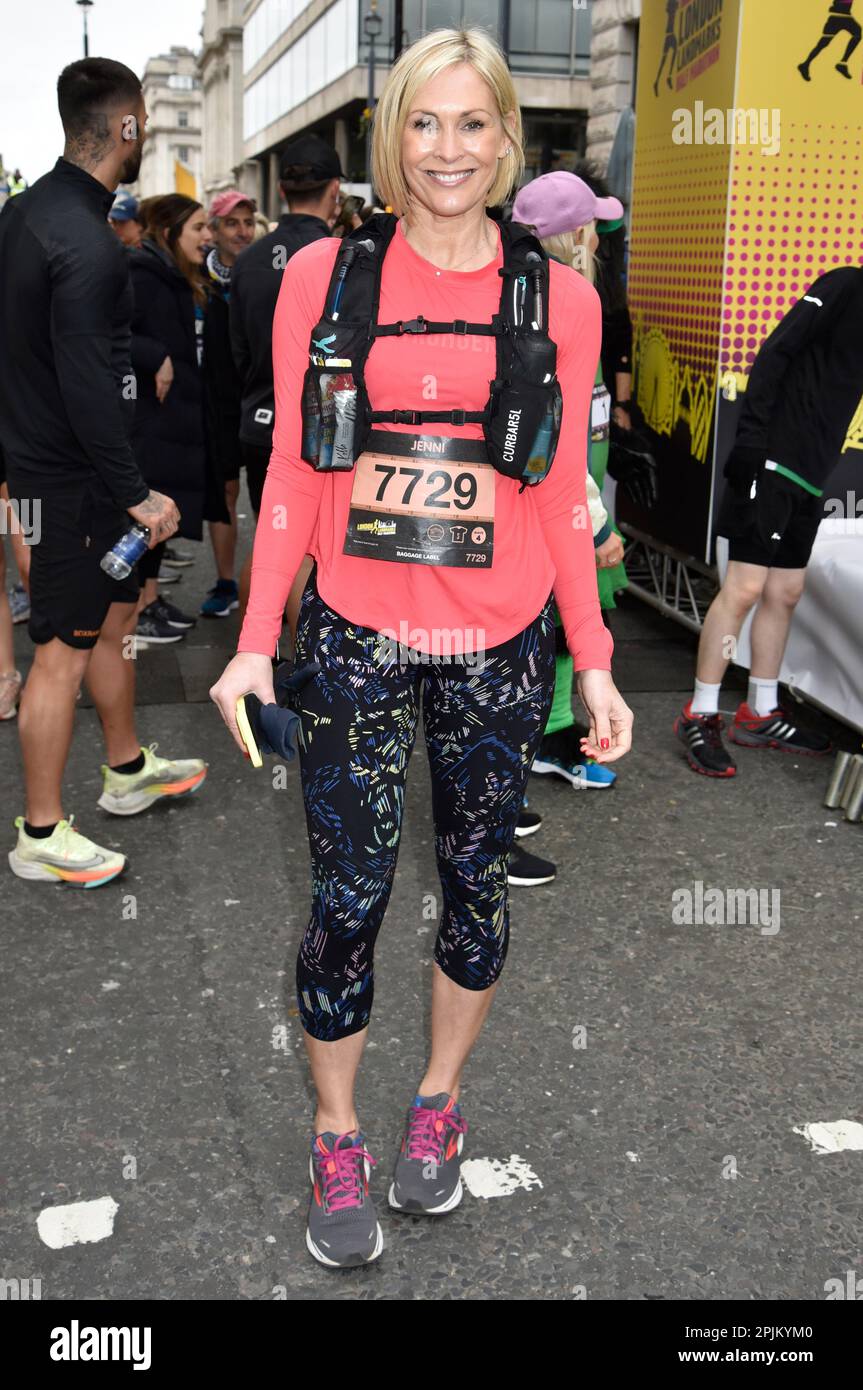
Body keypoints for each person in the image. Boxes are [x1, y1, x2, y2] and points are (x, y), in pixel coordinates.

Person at [210, 26, 632, 1269]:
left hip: (500, 645)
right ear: (389, 137)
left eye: (471, 124)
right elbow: (292, 464)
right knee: (344, 900)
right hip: (354, 637)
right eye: (421, 122)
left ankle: (438, 1099)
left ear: (505, 140)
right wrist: (248, 642)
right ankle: (335, 1131)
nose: (446, 149)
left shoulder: (558, 298)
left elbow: (559, 493)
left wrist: (593, 657)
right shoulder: (320, 283)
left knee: (475, 889)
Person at [0, 57, 206, 886]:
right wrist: (135, 493)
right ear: (126, 127)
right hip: (74, 484)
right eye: (144, 115)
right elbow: (88, 383)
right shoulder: (85, 240)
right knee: (58, 649)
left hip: (53, 470)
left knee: (109, 629)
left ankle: (123, 771)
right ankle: (41, 835)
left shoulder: (23, 215)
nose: (147, 128)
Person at [674, 264, 863, 776]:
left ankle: (759, 710)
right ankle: (701, 712)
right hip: (773, 460)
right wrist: (753, 440)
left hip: (811, 473)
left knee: (785, 593)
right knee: (744, 589)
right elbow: (777, 348)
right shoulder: (846, 284)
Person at [511, 171, 628, 811]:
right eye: (595, 227)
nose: (603, 240)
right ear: (578, 234)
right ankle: (530, 764)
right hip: (554, 509)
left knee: (559, 629)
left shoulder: (562, 297)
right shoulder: (555, 308)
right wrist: (599, 527)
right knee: (547, 632)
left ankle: (549, 743)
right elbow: (554, 445)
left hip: (562, 503)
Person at [229, 135, 342, 624]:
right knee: (314, 551)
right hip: (330, 428)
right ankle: (300, 661)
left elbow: (236, 353)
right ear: (334, 191)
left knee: (273, 538)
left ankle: (266, 647)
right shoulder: (346, 257)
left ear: (280, 191)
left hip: (262, 419)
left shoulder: (250, 260)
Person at [128, 194, 212, 643]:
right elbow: (105, 331)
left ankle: (150, 600)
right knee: (145, 516)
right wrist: (154, 354)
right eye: (198, 228)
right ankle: (137, 610)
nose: (208, 236)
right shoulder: (139, 273)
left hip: (172, 418)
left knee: (160, 513)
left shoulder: (176, 274)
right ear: (168, 233)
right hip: (149, 420)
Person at [199, 191, 257, 618]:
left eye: (248, 222)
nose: (242, 231)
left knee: (266, 496)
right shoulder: (196, 278)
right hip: (215, 402)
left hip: (258, 399)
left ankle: (264, 582)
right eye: (232, 223)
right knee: (224, 492)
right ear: (214, 229)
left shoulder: (265, 270)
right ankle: (224, 582)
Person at [799, 1, 861, 81]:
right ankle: (842, 63)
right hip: (840, 17)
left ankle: (805, 64)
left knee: (823, 43)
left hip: (839, 16)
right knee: (857, 32)